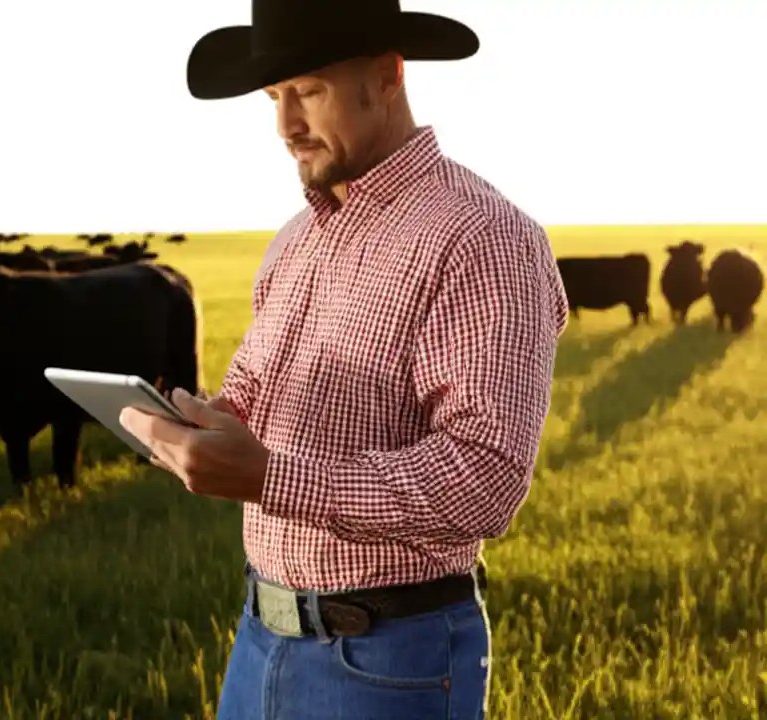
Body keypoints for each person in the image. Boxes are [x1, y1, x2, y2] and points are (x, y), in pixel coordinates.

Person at [118, 1, 570, 718]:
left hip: (390, 658)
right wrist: (205, 423)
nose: (285, 125)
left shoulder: (482, 237)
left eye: (309, 90)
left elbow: (485, 478)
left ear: (388, 76)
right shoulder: (295, 239)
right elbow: (251, 390)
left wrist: (268, 476)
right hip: (259, 636)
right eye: (274, 96)